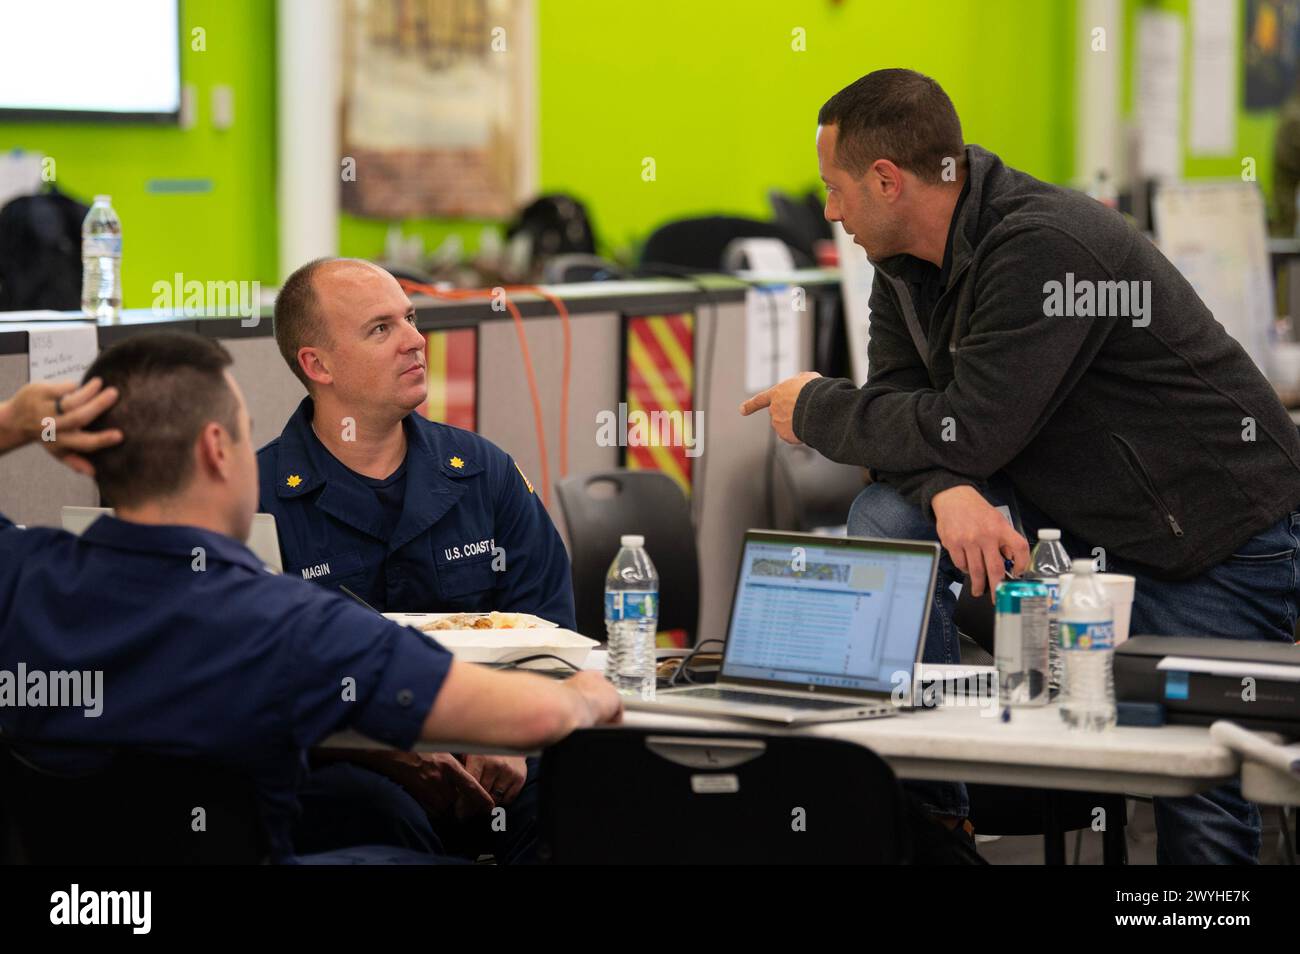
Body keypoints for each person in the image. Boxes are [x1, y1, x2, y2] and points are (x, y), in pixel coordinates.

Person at [741, 68, 1300, 864]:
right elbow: (913, 415)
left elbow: (965, 426)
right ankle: (937, 833)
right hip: (1088, 529)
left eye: (835, 189)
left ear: (889, 181)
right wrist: (947, 492)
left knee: (1198, 802)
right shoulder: (905, 264)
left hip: (1214, 535)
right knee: (888, 517)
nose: (829, 212)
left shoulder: (1042, 248)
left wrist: (821, 408)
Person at [0, 331, 622, 864]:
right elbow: (537, 718)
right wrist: (590, 692)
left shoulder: (20, 574)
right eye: (245, 435)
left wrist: (18, 422)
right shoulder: (285, 621)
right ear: (217, 450)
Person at [258, 257, 575, 861]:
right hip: (354, 764)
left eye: (410, 318)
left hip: (493, 747)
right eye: (381, 329)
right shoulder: (259, 497)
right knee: (376, 813)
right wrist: (387, 754)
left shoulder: (483, 472)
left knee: (581, 793)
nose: (415, 340)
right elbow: (252, 683)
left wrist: (514, 733)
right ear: (316, 364)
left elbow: (551, 626)